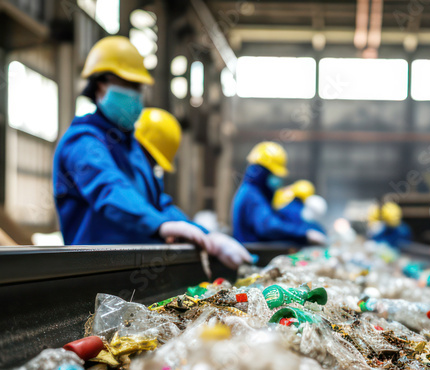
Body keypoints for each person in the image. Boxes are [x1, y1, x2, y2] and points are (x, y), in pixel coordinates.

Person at [53, 38, 248, 267]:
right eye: (128, 84)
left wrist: (207, 235)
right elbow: (109, 189)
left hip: (131, 272)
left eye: (138, 86)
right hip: (93, 275)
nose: (136, 94)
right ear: (100, 84)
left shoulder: (131, 147)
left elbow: (158, 204)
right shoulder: (82, 143)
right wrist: (159, 225)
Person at [134, 107, 250, 266]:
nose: (149, 166)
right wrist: (159, 225)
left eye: (155, 161)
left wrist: (209, 236)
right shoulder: (113, 171)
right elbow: (116, 196)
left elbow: (162, 208)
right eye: (150, 158)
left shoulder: (146, 181)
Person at [231, 142, 328, 245]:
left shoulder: (251, 191)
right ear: (262, 172)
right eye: (273, 174)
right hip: (254, 257)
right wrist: (305, 234)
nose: (277, 179)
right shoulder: (252, 195)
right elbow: (268, 227)